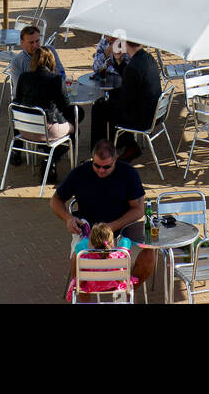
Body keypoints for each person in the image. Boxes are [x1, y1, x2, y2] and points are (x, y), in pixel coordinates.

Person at [51, 139, 154, 287]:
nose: (101, 170)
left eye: (106, 167)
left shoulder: (129, 173)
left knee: (149, 256)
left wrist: (112, 226)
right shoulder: (80, 173)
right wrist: (68, 218)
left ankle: (127, 292)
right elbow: (55, 200)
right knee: (78, 258)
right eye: (97, 165)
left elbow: (138, 210)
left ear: (115, 159)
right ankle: (82, 297)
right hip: (89, 233)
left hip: (123, 233)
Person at [90, 41, 161, 161]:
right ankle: (128, 144)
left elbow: (124, 103)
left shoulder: (134, 66)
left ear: (125, 44)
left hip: (142, 119)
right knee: (109, 103)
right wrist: (118, 61)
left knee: (98, 108)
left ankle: (99, 154)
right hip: (154, 113)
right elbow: (131, 79)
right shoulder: (148, 58)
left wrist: (108, 103)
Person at [14, 47, 75, 164]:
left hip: (25, 129)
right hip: (47, 131)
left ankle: (48, 153)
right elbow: (65, 106)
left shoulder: (23, 77)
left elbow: (18, 101)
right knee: (75, 125)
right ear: (52, 61)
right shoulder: (56, 79)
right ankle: (51, 159)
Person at [67, 221, 136, 303]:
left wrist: (75, 284)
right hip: (114, 285)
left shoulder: (86, 258)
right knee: (125, 240)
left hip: (93, 286)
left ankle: (86, 235)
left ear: (91, 243)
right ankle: (89, 236)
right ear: (112, 243)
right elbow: (122, 279)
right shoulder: (119, 256)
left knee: (79, 246)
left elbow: (81, 280)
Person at [10, 24, 66, 93]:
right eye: (31, 42)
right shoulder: (17, 62)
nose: (35, 45)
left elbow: (61, 74)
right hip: (28, 101)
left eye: (37, 41)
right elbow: (19, 88)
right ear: (22, 43)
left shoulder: (49, 52)